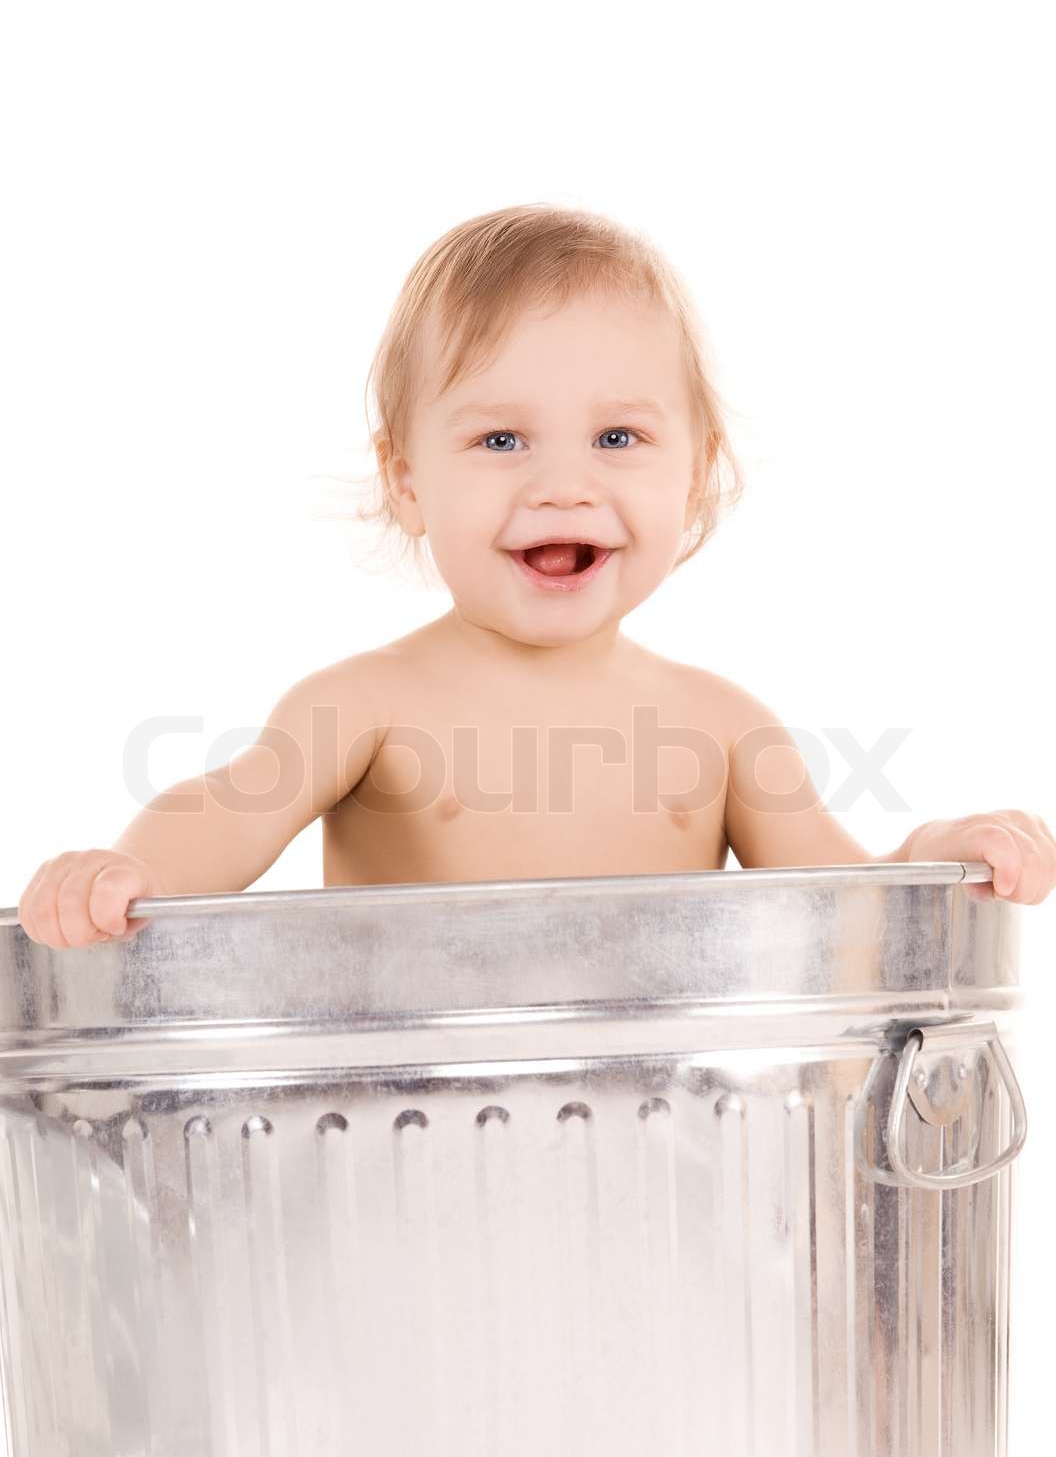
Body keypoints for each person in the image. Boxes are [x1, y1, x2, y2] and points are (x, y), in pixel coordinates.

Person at [16, 203, 1055, 948]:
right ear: (407, 479)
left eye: (617, 437)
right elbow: (228, 809)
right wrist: (129, 872)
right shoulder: (367, 705)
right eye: (502, 440)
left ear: (696, 476)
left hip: (658, 1150)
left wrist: (933, 854)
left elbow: (849, 905)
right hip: (406, 1137)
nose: (563, 487)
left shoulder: (721, 725)